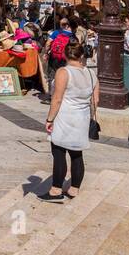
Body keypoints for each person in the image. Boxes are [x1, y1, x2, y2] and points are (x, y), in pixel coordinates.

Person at [41, 42, 98, 203]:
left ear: (65, 55)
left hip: (65, 116)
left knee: (58, 152)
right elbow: (96, 100)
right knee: (76, 153)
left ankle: (56, 190)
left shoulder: (63, 72)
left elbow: (57, 99)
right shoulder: (91, 74)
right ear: (81, 55)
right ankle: (74, 189)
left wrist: (49, 119)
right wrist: (90, 116)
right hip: (82, 117)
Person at [44, 15, 74, 87]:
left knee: (52, 74)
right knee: (64, 74)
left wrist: (46, 53)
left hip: (54, 56)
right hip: (65, 57)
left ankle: (52, 93)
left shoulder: (56, 32)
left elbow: (48, 43)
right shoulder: (72, 35)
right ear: (67, 25)